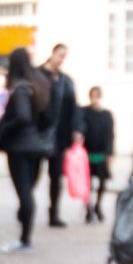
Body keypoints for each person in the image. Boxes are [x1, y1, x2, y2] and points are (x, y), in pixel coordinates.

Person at [0, 46, 53, 252]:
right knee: (28, 192)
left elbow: (22, 116)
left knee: (24, 194)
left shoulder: (19, 88)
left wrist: (3, 130)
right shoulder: (38, 84)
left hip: (19, 146)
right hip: (36, 145)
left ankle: (25, 238)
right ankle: (25, 231)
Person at [40, 44, 81, 228]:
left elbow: (74, 107)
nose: (62, 59)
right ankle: (26, 207)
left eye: (65, 56)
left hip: (59, 137)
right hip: (40, 134)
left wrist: (77, 129)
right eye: (60, 55)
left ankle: (53, 212)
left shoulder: (66, 80)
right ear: (53, 54)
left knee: (56, 176)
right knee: (32, 174)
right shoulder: (38, 75)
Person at [80, 85, 116, 220]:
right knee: (87, 183)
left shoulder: (106, 115)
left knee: (102, 181)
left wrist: (110, 152)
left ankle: (98, 206)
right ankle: (88, 208)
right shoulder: (84, 112)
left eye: (97, 96)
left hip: (101, 153)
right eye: (92, 96)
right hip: (87, 152)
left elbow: (110, 134)